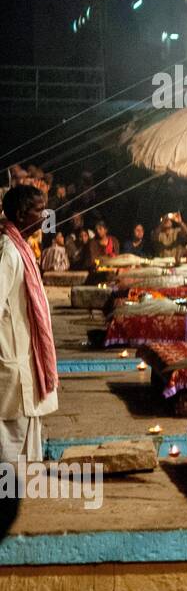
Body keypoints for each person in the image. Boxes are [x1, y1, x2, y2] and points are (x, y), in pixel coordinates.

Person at [0, 184, 59, 464]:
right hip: (10, 361)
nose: (44, 214)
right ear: (22, 215)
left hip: (23, 360)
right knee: (8, 443)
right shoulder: (7, 251)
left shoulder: (19, 247)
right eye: (38, 209)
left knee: (20, 439)